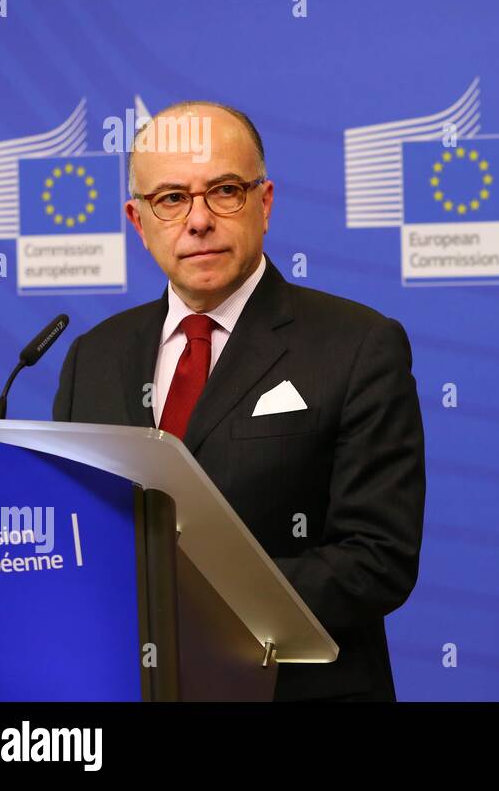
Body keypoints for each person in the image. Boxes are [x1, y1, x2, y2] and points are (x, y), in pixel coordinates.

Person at [52, 101, 425, 701]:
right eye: (171, 199)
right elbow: (75, 535)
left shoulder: (357, 345)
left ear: (265, 202)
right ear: (137, 219)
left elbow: (377, 558)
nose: (197, 220)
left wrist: (194, 603)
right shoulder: (91, 358)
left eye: (224, 191)